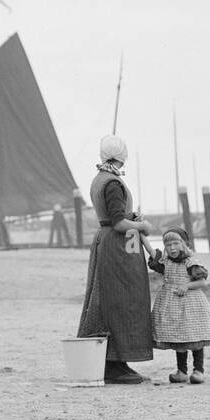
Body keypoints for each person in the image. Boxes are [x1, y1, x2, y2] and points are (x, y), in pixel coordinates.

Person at [76, 135, 154, 385]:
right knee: (121, 299)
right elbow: (119, 222)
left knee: (106, 298)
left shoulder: (100, 178)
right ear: (123, 156)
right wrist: (143, 224)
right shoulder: (113, 183)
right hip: (117, 246)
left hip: (106, 242)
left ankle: (113, 360)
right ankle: (114, 362)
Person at [147, 226, 210, 384]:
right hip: (171, 303)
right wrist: (141, 235)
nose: (172, 248)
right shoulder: (165, 262)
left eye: (175, 243)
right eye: (168, 245)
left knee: (195, 335)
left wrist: (187, 286)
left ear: (184, 244)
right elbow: (152, 254)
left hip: (191, 304)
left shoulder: (191, 261)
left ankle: (198, 370)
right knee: (179, 336)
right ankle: (181, 371)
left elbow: (201, 282)